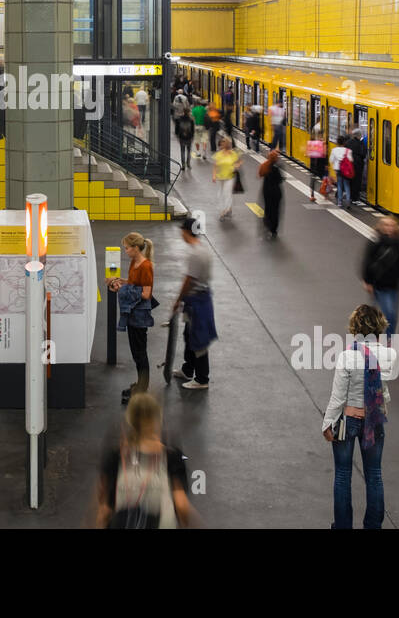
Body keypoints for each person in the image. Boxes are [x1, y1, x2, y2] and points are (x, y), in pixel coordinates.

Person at [322, 304, 397, 529]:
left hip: (348, 420)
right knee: (374, 474)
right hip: (373, 419)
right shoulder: (389, 355)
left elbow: (338, 397)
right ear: (379, 327)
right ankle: (373, 525)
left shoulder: (347, 356)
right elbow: (383, 390)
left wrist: (328, 423)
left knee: (343, 475)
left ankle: (343, 525)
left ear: (355, 327)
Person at [94, 393, 196, 528]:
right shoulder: (172, 457)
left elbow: (104, 508)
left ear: (130, 420)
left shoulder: (115, 456)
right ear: (157, 419)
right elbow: (181, 504)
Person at [107, 232, 155, 403]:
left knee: (140, 353)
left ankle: (142, 389)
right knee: (136, 352)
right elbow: (135, 284)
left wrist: (122, 289)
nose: (125, 251)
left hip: (140, 315)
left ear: (135, 248)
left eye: (127, 248)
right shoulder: (135, 263)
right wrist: (120, 280)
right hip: (133, 314)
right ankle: (140, 384)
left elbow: (146, 293)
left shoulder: (146, 266)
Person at [172, 217, 217, 390]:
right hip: (200, 298)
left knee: (198, 340)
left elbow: (188, 281)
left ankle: (202, 379)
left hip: (197, 300)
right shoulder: (202, 249)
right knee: (189, 335)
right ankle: (188, 369)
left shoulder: (195, 254)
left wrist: (178, 300)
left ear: (186, 231)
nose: (181, 234)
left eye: (182, 230)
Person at [361, 217, 399, 337]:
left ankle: (386, 338)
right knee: (389, 313)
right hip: (380, 284)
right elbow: (367, 261)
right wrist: (367, 281)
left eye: (392, 226)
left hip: (395, 285)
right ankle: (384, 339)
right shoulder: (375, 241)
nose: (390, 228)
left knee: (390, 314)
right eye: (387, 225)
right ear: (381, 227)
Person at [212, 135, 241, 221]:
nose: (221, 145)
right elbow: (215, 166)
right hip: (221, 177)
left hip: (230, 177)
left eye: (223, 143)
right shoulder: (219, 154)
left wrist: (236, 166)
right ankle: (229, 209)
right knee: (222, 193)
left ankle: (223, 212)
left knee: (226, 193)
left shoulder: (233, 154)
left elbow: (239, 162)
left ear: (227, 144)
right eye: (221, 144)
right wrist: (214, 175)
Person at [258, 149, 284, 239]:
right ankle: (274, 229)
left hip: (266, 191)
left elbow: (260, 174)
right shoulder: (276, 168)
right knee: (275, 211)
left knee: (268, 208)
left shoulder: (264, 166)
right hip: (276, 192)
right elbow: (280, 180)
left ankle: (267, 224)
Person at [330, 135, 354, 209]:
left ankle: (340, 202)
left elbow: (331, 160)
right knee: (347, 185)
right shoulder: (348, 151)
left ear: (337, 142)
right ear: (344, 142)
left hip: (338, 169)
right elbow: (351, 160)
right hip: (346, 171)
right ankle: (348, 201)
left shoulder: (334, 150)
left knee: (339, 185)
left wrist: (337, 162)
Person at [346, 128, 368, 203]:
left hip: (349, 165)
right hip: (358, 165)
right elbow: (363, 154)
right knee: (356, 182)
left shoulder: (348, 142)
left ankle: (348, 196)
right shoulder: (360, 144)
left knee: (350, 181)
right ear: (359, 136)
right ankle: (355, 198)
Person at [307, 129, 328, 202]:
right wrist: (326, 164)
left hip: (313, 164)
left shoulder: (313, 144)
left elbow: (308, 154)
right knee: (324, 179)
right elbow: (325, 154)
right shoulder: (323, 143)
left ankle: (312, 196)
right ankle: (325, 194)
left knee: (313, 180)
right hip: (321, 164)